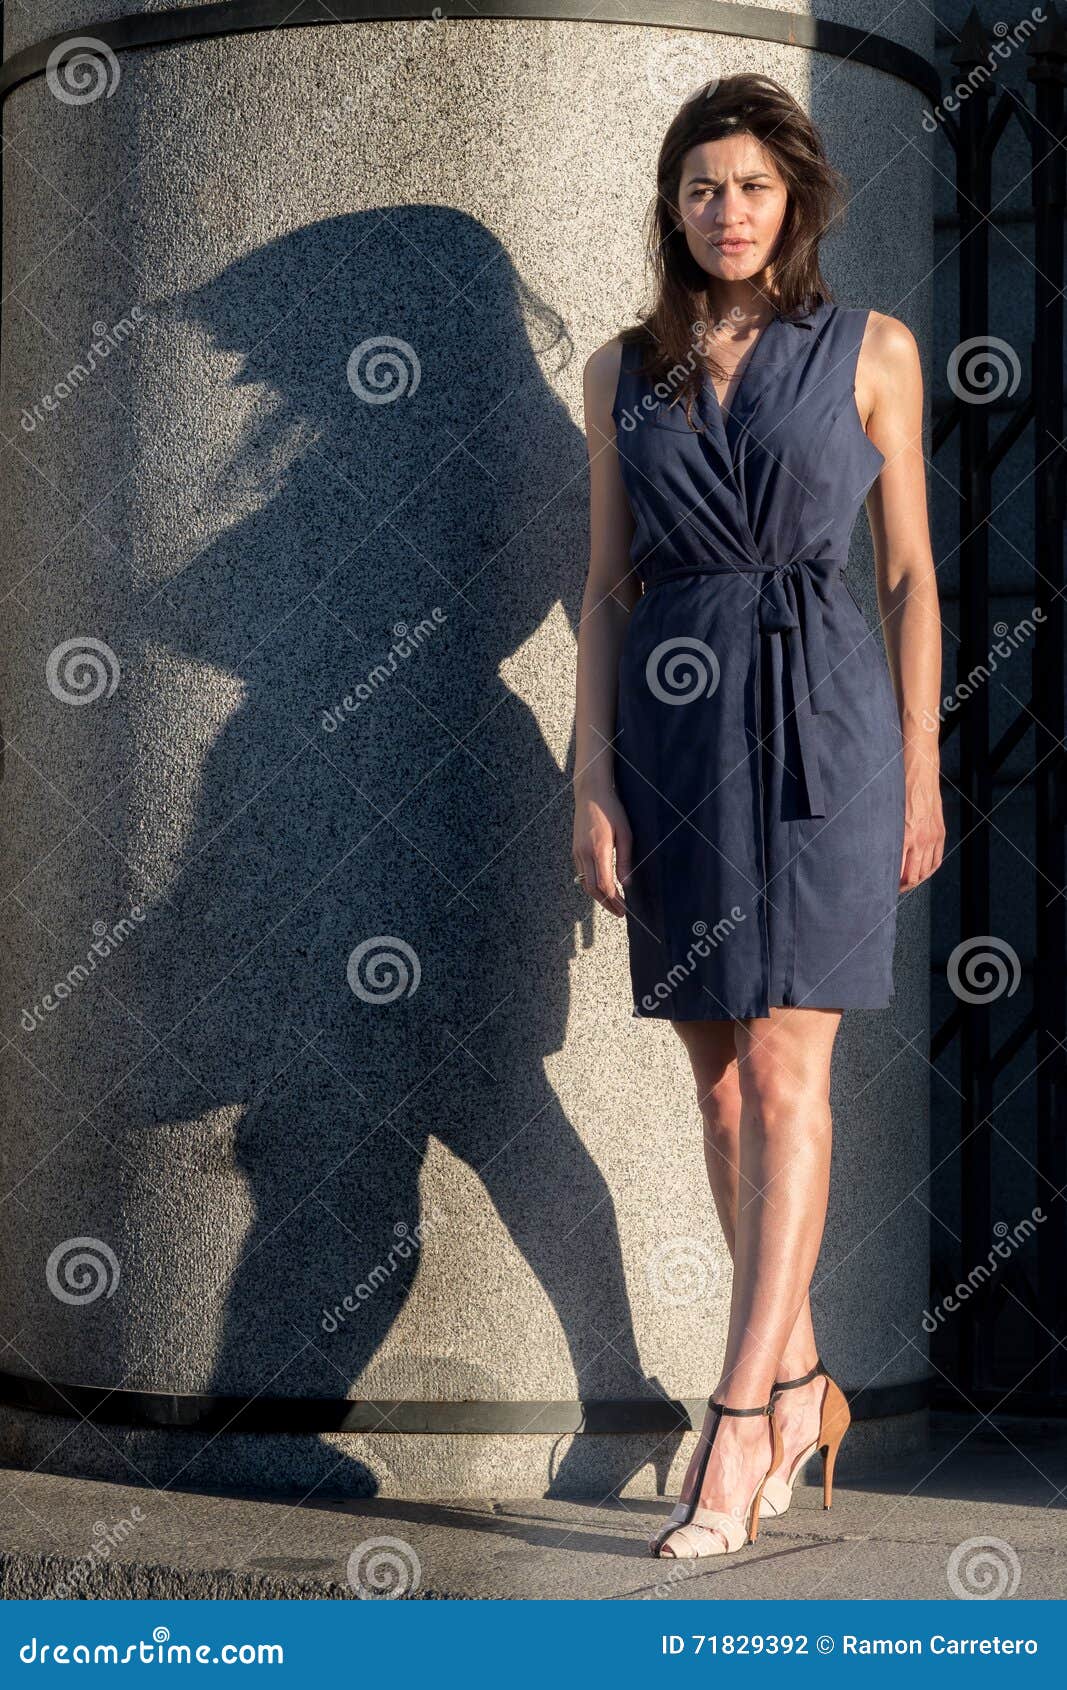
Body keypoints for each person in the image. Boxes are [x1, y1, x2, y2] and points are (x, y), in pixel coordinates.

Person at [572, 74, 945, 1559]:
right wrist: (591, 774)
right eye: (701, 187)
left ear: (797, 203)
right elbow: (607, 588)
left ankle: (731, 1426)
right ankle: (801, 1383)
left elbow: (908, 575)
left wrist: (920, 767)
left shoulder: (876, 350)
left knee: (792, 1075)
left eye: (753, 186)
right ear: (671, 207)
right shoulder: (621, 369)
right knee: (720, 1087)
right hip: (675, 732)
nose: (727, 211)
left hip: (827, 731)